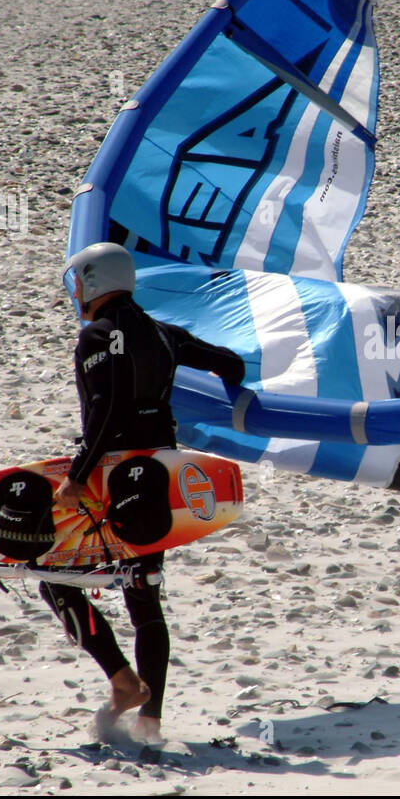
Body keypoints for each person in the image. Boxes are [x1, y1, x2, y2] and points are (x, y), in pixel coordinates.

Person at [49, 242, 244, 746]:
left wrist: (77, 475)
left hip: (109, 479)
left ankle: (120, 679)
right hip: (160, 479)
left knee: (51, 575)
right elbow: (228, 362)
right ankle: (149, 722)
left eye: (77, 282)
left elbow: (106, 410)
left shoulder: (97, 335)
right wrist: (244, 400)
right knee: (144, 594)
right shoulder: (162, 333)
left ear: (91, 281)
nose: (75, 293)